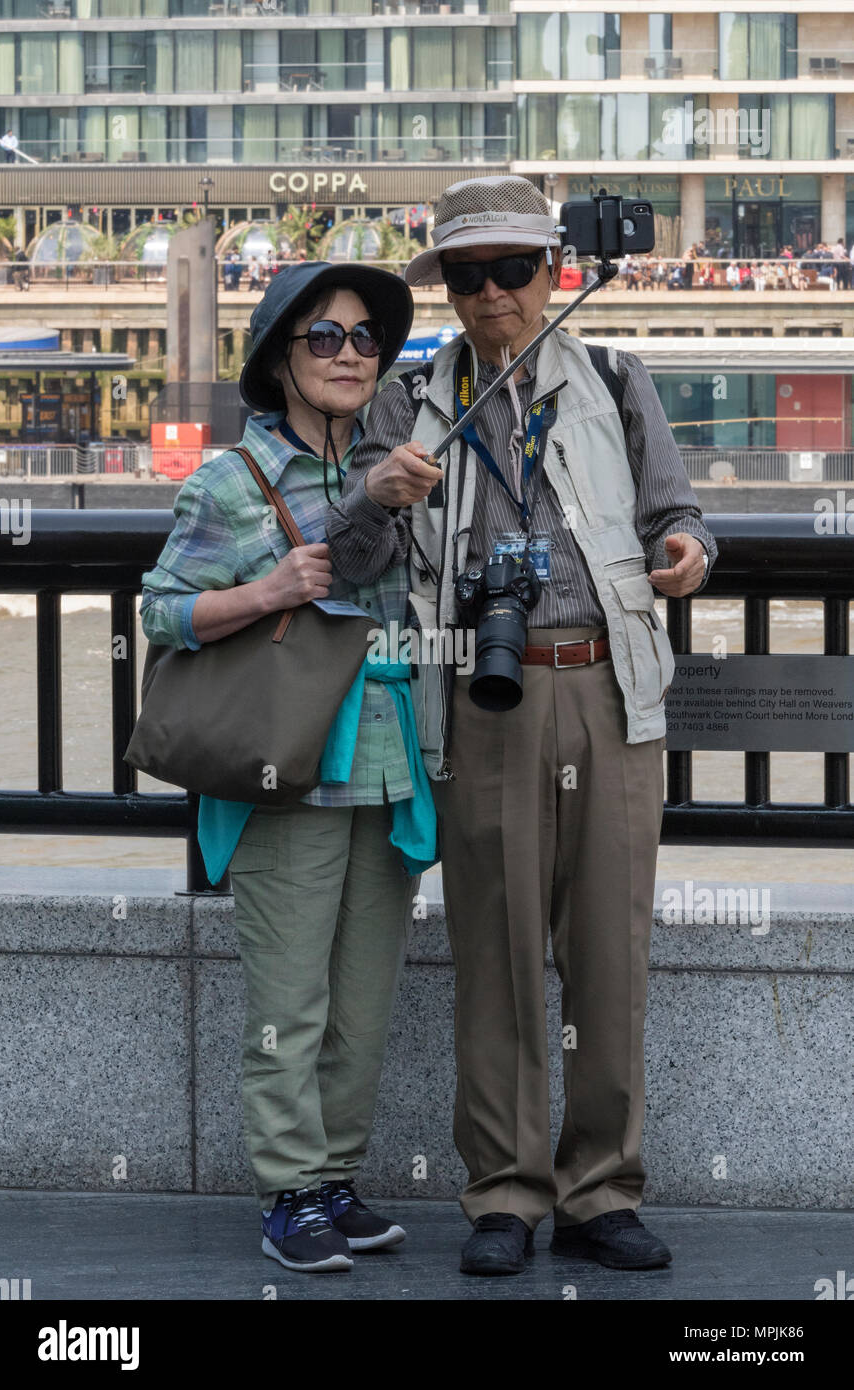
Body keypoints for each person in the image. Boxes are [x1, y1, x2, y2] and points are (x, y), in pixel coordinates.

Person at [327, 175, 717, 1277]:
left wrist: (688, 555)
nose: (492, 293)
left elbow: (675, 515)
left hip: (604, 687)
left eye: (512, 268)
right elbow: (348, 564)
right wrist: (378, 498)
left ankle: (601, 1189)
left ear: (551, 273)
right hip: (476, 692)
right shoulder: (407, 403)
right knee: (491, 955)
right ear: (445, 288)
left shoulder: (610, 376)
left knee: (608, 956)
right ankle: (503, 1193)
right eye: (466, 273)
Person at [139, 262, 436, 1273]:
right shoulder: (230, 477)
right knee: (287, 1000)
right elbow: (162, 610)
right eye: (324, 337)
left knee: (360, 998)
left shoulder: (402, 460)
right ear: (279, 360)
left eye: (364, 338)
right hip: (291, 765)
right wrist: (264, 590)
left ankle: (335, 1179)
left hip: (391, 763)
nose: (350, 353)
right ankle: (287, 1190)